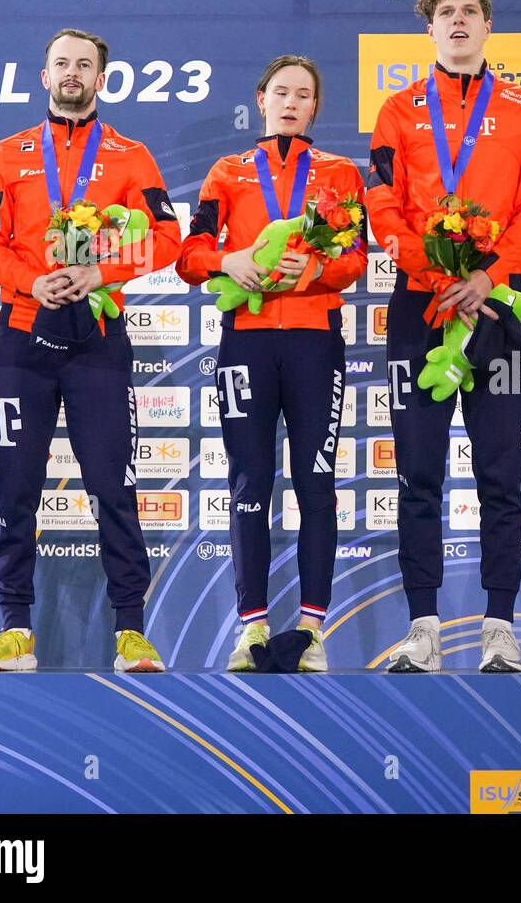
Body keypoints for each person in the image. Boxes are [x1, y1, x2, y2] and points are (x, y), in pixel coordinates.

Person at [0, 28, 181, 672]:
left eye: (84, 65)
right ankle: (14, 632)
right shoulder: (9, 154)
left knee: (114, 484)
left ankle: (131, 633)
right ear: (43, 76)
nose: (71, 73)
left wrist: (102, 272)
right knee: (15, 486)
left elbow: (169, 238)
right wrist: (30, 279)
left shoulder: (130, 155)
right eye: (61, 63)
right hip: (21, 335)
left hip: (96, 337)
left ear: (101, 79)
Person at [365, 0, 521, 673]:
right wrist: (435, 271)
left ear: (487, 26)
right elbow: (382, 203)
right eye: (447, 12)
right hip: (423, 304)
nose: (460, 21)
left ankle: (500, 626)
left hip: (496, 306)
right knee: (418, 473)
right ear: (430, 28)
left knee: (502, 473)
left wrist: (486, 275)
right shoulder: (398, 110)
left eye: (471, 10)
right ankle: (425, 627)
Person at [177, 55, 367, 673]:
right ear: (260, 99)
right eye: (280, 92)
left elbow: (358, 256)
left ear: (315, 107)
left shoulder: (340, 174)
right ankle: (251, 629)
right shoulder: (226, 172)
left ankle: (312, 633)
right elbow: (190, 255)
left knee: (316, 484)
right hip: (247, 342)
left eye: (303, 95)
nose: (290, 102)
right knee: (249, 483)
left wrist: (317, 270)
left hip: (316, 342)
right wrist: (228, 262)